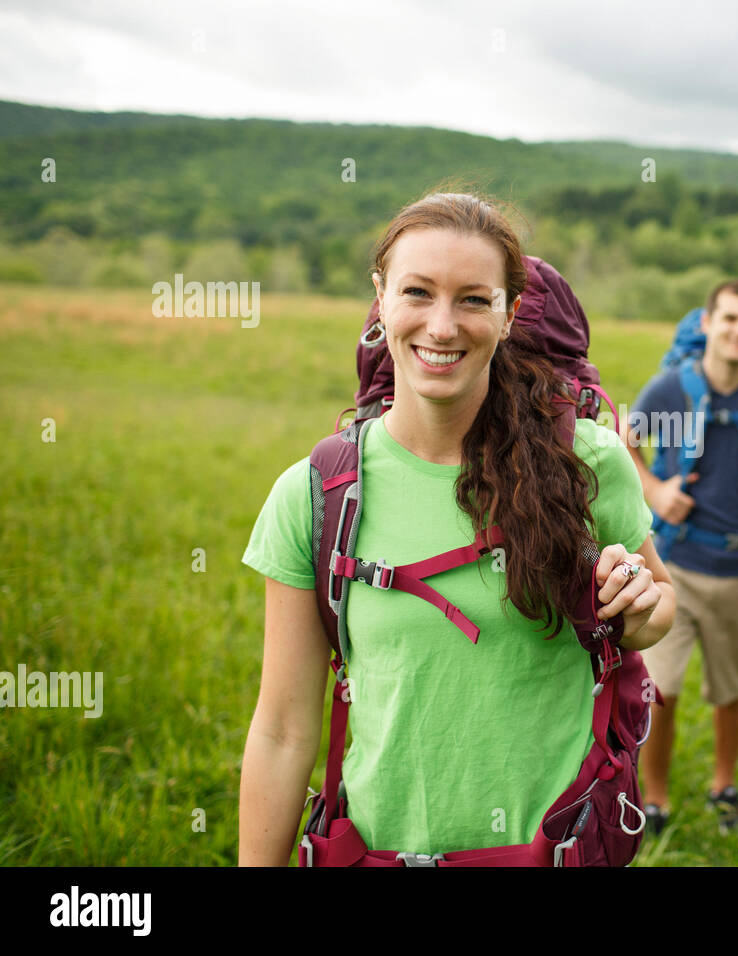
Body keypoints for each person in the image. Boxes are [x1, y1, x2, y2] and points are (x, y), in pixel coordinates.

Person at [237, 191, 675, 865]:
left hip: (549, 851)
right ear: (380, 300)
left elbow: (655, 605)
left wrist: (640, 607)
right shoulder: (316, 495)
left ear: (509, 315)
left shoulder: (587, 462)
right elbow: (282, 730)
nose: (442, 326)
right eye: (418, 292)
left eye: (474, 299)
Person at [622, 279, 738, 834]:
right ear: (707, 323)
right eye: (730, 319)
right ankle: (654, 797)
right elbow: (624, 444)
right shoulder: (668, 390)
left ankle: (723, 787)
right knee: (660, 692)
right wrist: (656, 493)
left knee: (730, 692)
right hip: (674, 567)